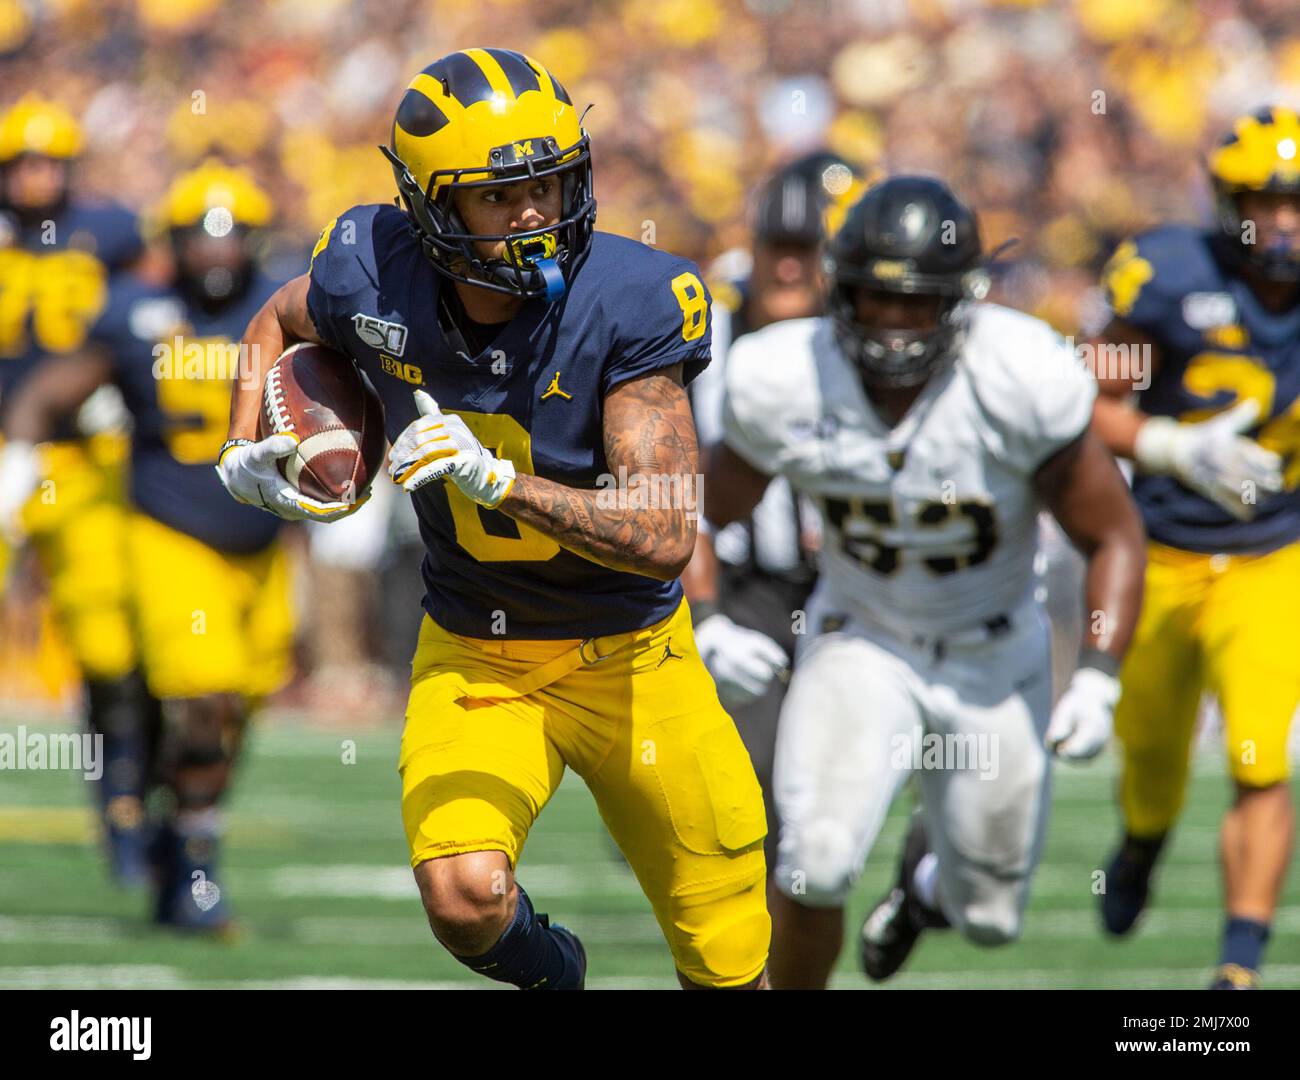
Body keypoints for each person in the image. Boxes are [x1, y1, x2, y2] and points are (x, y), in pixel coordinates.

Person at [217, 48, 769, 989]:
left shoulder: (631, 298)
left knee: (727, 960)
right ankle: (557, 974)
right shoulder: (369, 272)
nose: (535, 214)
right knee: (464, 899)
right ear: (432, 206)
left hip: (635, 655)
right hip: (478, 648)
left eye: (551, 185)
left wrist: (504, 483)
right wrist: (242, 446)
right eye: (498, 196)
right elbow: (279, 316)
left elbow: (668, 529)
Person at [707, 176, 1146, 988]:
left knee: (988, 917)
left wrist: (1098, 677)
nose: (897, 326)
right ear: (843, 293)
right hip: (861, 639)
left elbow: (1112, 533)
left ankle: (921, 887)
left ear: (962, 302)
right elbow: (701, 513)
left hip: (995, 654)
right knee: (815, 861)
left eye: (919, 303)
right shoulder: (784, 375)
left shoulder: (1020, 372)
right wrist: (706, 618)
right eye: (878, 300)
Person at [5, 160, 292, 932]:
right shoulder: (137, 313)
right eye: (201, 238)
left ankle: (177, 831)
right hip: (168, 529)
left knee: (237, 712)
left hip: (265, 547)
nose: (217, 255)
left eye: (231, 239)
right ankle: (197, 870)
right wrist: (19, 466)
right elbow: (46, 392)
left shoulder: (289, 318)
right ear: (172, 242)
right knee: (206, 696)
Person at [1087, 105, 1300, 990]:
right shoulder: (1168, 273)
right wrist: (1176, 447)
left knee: (1259, 757)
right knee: (1152, 753)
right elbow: (1086, 404)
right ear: (1227, 201)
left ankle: (1237, 970)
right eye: (1267, 202)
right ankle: (1140, 843)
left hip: (1274, 552)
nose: (1285, 223)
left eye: (1299, 204)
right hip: (1163, 550)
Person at [684, 151, 864, 866]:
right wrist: (703, 620)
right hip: (737, 584)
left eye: (806, 251)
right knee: (747, 783)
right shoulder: (702, 332)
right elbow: (672, 488)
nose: (789, 268)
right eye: (776, 250)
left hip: (850, 584)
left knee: (847, 785)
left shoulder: (864, 331)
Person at [0, 94, 148, 881]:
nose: (35, 178)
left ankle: (120, 809)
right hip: (2, 449)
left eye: (48, 163)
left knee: (107, 647)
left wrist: (122, 382)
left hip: (80, 458)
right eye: (23, 164)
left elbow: (149, 313)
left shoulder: (111, 232)